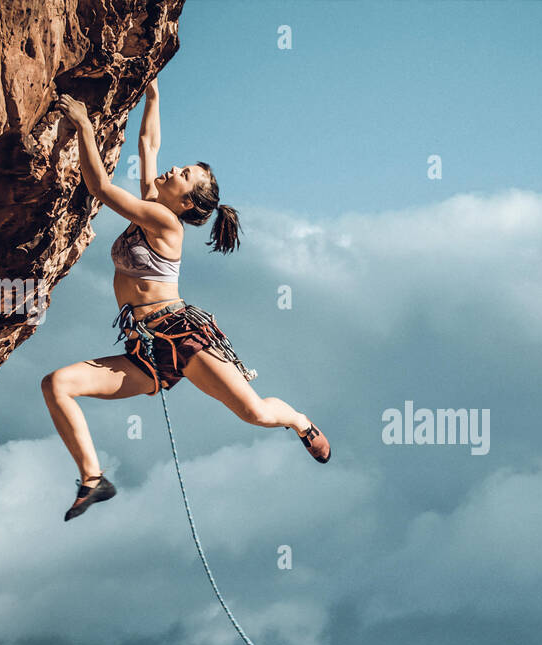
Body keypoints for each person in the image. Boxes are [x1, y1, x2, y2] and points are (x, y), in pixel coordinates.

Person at [43, 80, 330, 522]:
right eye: (183, 167)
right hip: (145, 347)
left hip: (182, 335)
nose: (174, 169)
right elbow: (148, 144)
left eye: (186, 175)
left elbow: (99, 187)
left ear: (186, 200)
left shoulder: (164, 222)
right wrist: (153, 94)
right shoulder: (153, 204)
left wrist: (82, 123)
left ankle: (299, 420)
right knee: (57, 384)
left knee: (253, 412)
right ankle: (93, 479)